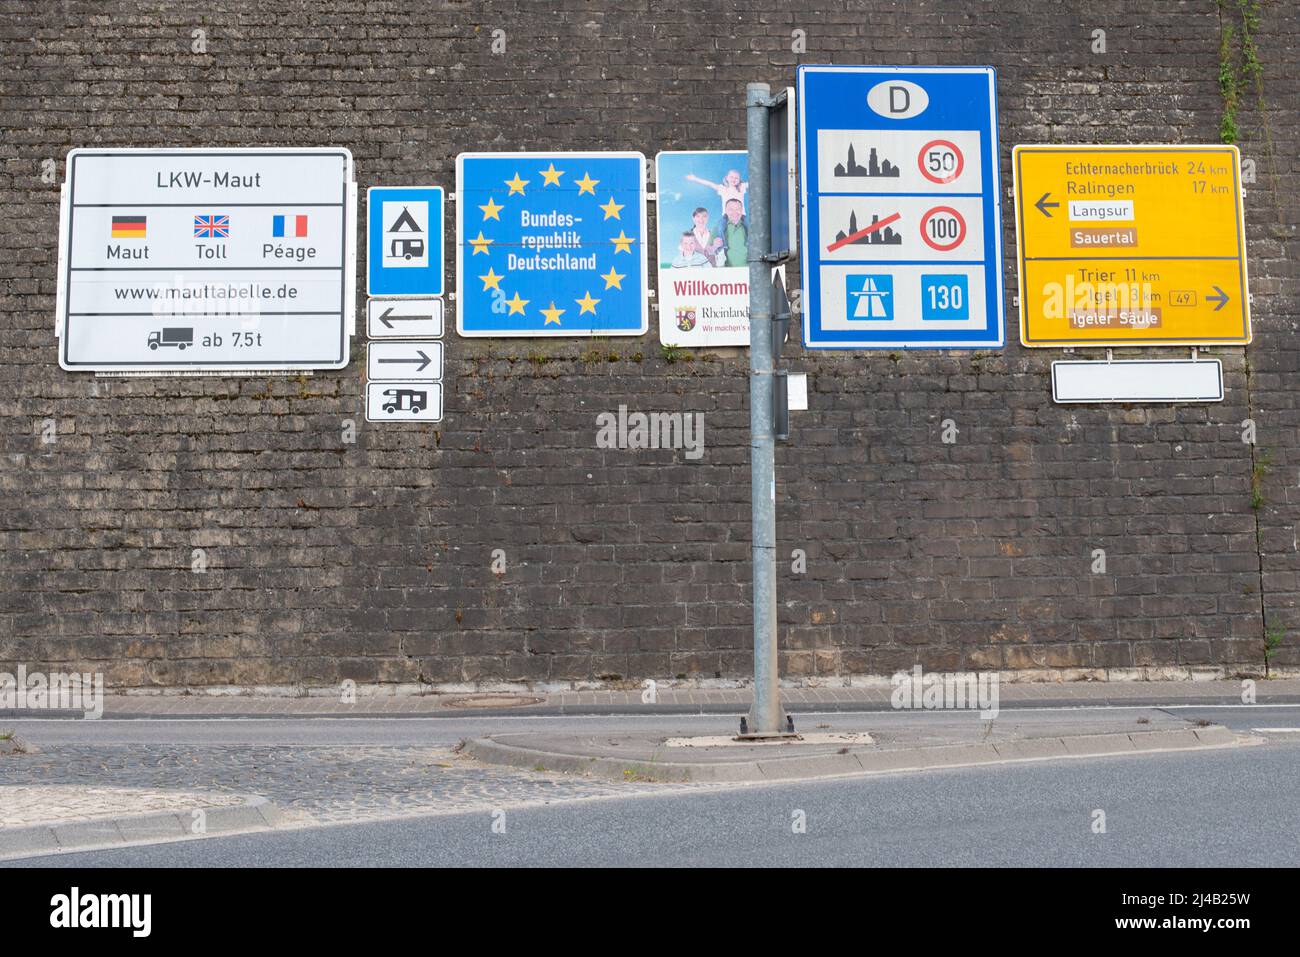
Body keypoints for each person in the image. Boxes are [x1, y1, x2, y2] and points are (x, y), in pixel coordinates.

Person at [721, 198, 747, 268]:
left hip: (750, 271)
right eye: (731, 209)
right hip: (729, 273)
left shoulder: (749, 226)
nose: (735, 212)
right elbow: (710, 249)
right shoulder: (720, 227)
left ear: (742, 210)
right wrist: (714, 245)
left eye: (738, 209)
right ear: (726, 211)